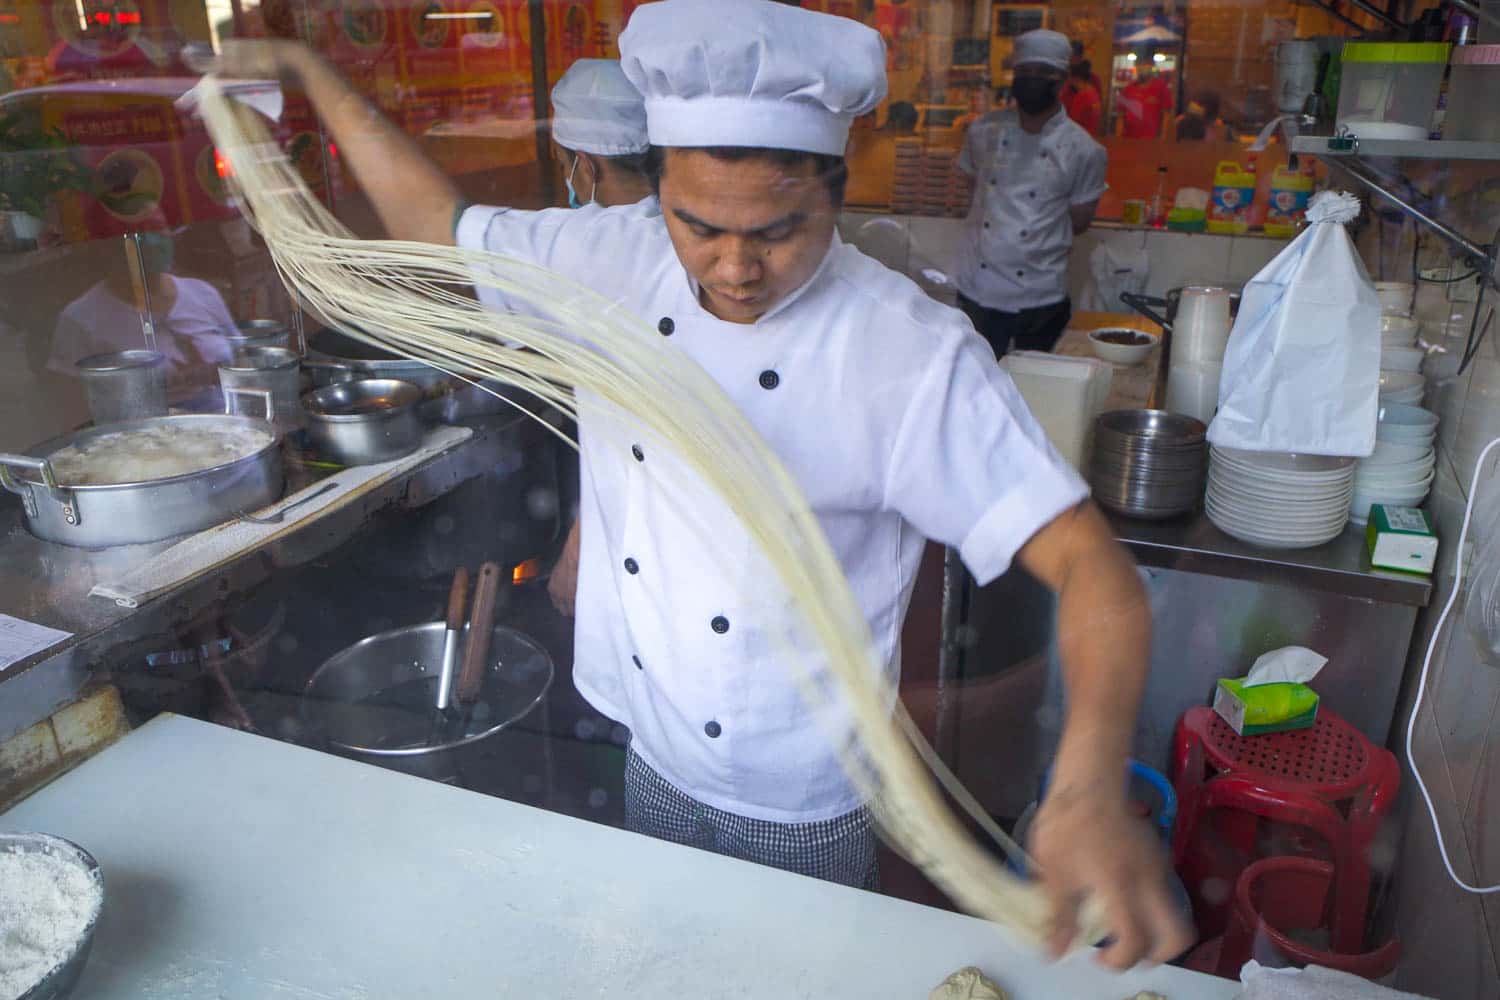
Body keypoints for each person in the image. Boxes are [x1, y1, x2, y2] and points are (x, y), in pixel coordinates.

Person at [206, 0, 1188, 968]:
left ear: (836, 191)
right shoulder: (611, 264)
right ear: (656, 186)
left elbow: (1097, 575)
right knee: (666, 969)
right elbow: (436, 224)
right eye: (698, 224)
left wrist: (1087, 783)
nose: (735, 266)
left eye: (777, 230)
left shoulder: (906, 353)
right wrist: (309, 70)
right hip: (653, 750)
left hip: (802, 791)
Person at [544, 58, 654, 619]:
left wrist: (576, 551)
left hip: (632, 509)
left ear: (584, 165)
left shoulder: (583, 247)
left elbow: (628, 439)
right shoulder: (689, 230)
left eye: (565, 163)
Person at [956, 29, 1107, 358]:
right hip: (977, 290)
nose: (1032, 79)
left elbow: (1080, 221)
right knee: (975, 384)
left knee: (1035, 390)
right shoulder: (982, 131)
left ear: (1062, 79)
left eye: (1043, 73)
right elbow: (972, 194)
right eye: (1024, 72)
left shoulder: (1084, 150)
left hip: (1040, 297)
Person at [49, 220, 234, 403]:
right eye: (136, 231)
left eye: (157, 227)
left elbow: (241, 362)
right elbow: (70, 406)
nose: (151, 241)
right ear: (108, 245)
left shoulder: (203, 293)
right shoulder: (80, 318)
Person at [549, 58, 654, 209]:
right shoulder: (683, 222)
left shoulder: (580, 231)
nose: (566, 179)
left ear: (588, 168)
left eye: (563, 165)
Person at [1061, 60, 1103, 136]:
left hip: (1079, 138)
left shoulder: (1081, 97)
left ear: (1076, 78)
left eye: (1069, 77)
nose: (1068, 80)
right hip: (1091, 137)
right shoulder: (1094, 93)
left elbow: (1072, 123)